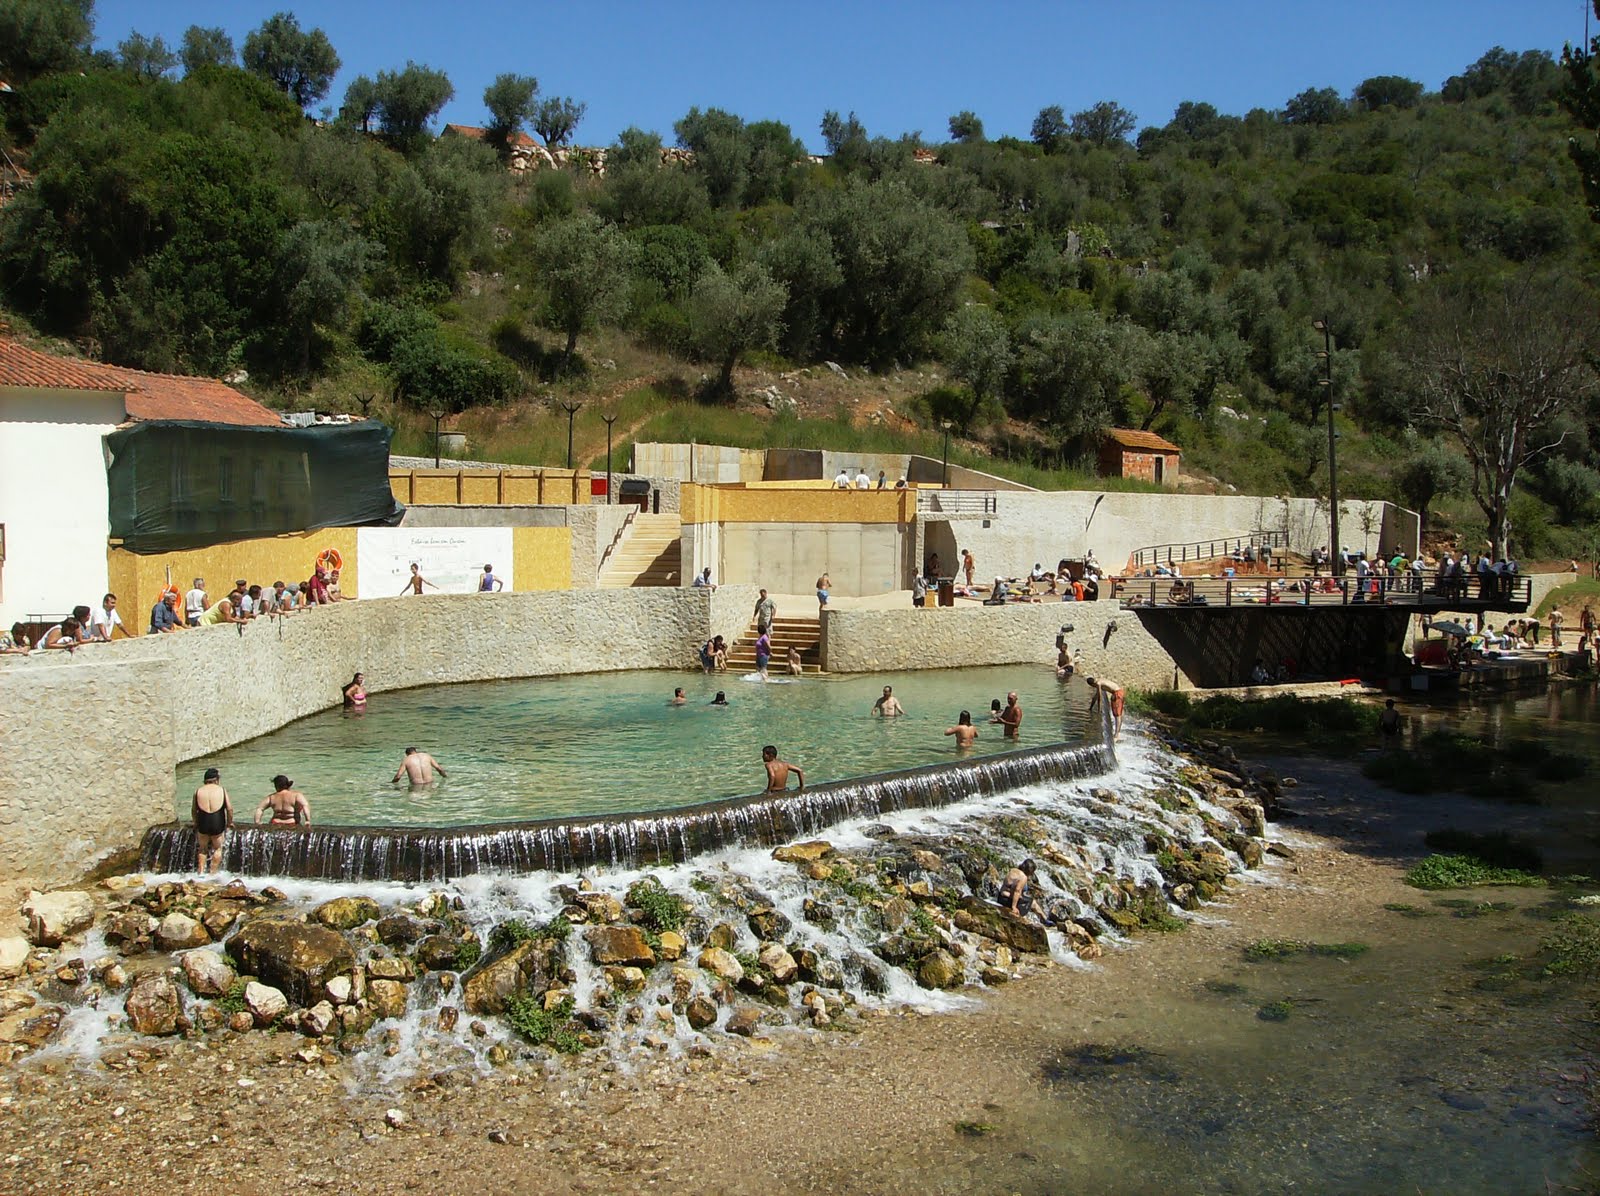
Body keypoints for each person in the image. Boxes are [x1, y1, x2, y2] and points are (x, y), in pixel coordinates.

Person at [192, 767, 233, 874]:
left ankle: (200, 873)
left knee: (202, 849)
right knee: (218, 848)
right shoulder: (222, 790)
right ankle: (212, 873)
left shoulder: (198, 791)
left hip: (203, 821)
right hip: (217, 821)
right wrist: (230, 822)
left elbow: (194, 809)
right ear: (216, 780)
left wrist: (195, 823)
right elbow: (229, 808)